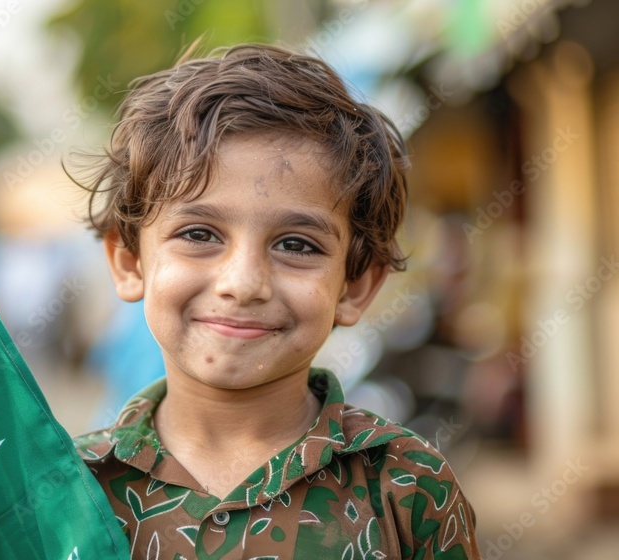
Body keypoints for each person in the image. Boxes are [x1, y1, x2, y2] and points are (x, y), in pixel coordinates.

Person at [72, 44, 482, 559]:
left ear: (354, 287)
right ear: (130, 262)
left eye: (296, 245)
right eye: (199, 234)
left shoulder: (407, 487)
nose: (243, 283)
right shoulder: (66, 488)